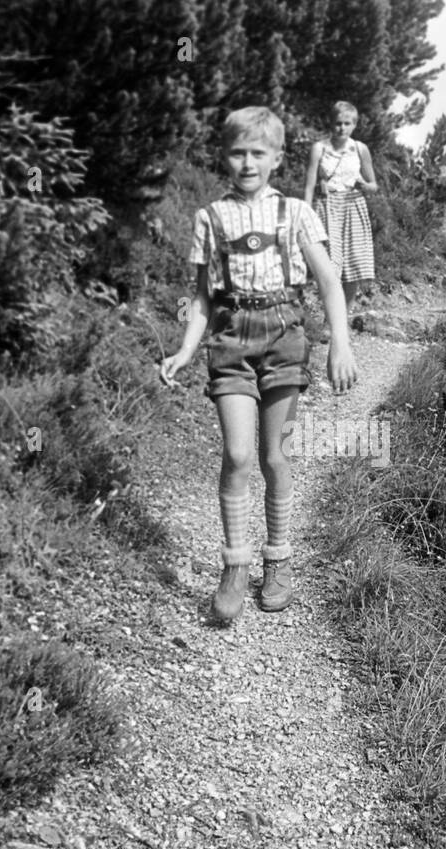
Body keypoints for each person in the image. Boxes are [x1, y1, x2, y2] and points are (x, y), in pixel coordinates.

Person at [160, 107, 357, 623]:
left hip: (284, 336)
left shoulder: (295, 212)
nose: (247, 163)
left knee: (274, 457)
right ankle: (234, 564)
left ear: (276, 158)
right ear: (224, 156)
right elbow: (202, 298)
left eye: (257, 153)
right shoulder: (210, 218)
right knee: (238, 454)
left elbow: (330, 281)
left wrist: (341, 343)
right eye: (237, 152)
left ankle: (278, 559)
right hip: (230, 340)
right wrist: (185, 349)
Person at [304, 101, 378, 317]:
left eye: (347, 123)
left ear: (354, 125)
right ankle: (331, 315)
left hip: (354, 206)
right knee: (330, 268)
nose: (342, 128)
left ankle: (342, 317)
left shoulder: (360, 149)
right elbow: (308, 186)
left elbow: (373, 185)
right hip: (327, 208)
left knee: (354, 266)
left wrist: (364, 185)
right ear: (331, 123)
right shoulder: (319, 148)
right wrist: (306, 217)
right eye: (338, 123)